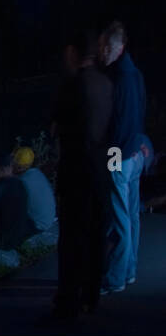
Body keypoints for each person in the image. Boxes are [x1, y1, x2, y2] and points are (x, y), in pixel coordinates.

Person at [51, 30, 113, 318]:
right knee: (95, 235)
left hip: (77, 173)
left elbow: (61, 131)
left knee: (72, 240)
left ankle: (69, 302)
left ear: (74, 53)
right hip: (100, 171)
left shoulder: (72, 87)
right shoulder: (105, 83)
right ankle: (91, 295)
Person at [100, 21, 148, 294]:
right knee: (130, 215)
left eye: (108, 46)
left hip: (120, 153)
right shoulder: (136, 74)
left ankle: (117, 277)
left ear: (119, 46)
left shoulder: (119, 78)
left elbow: (116, 122)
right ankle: (128, 270)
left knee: (121, 218)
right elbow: (140, 111)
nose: (104, 51)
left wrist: (108, 152)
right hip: (134, 152)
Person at [12, 146, 56, 233]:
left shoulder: (21, 182)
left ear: (18, 167)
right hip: (49, 221)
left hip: (37, 226)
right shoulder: (37, 173)